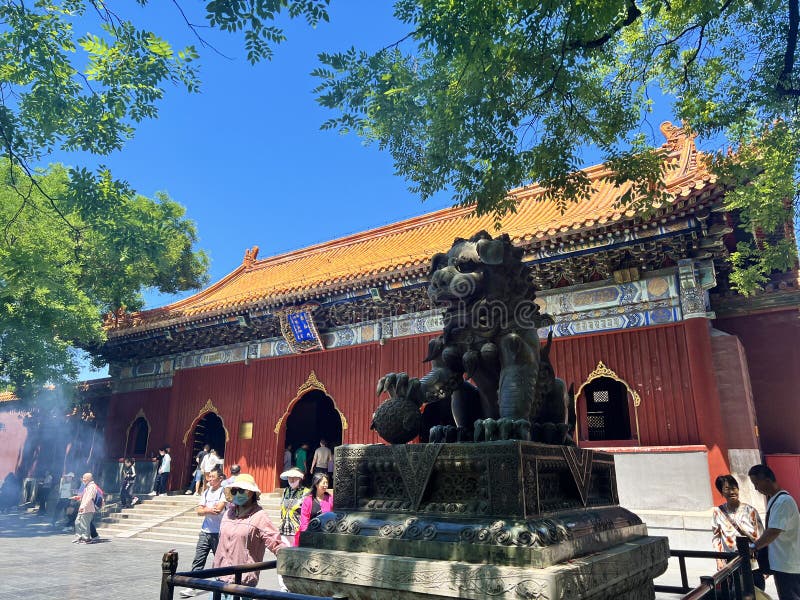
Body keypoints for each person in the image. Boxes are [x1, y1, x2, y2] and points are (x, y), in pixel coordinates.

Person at [208, 474, 285, 595]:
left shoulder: (260, 516)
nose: (237, 493)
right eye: (234, 490)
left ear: (250, 493)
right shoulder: (228, 513)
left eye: (241, 490)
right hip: (219, 576)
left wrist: (288, 556)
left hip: (242, 581)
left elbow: (274, 542)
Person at [749, 464, 800, 599]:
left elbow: (773, 531)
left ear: (767, 480)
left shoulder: (783, 501)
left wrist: (754, 546)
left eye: (756, 483)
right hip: (783, 563)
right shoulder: (775, 499)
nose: (756, 488)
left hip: (788, 565)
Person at [711, 474, 765, 589]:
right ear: (721, 492)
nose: (731, 492)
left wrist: (765, 562)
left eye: (734, 488)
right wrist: (719, 560)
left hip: (753, 562)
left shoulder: (750, 511)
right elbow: (716, 538)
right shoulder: (718, 512)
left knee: (758, 592)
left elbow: (762, 534)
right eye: (727, 489)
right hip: (731, 563)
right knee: (736, 593)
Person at [180, 470, 227, 598]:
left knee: (221, 561)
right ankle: (192, 586)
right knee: (198, 559)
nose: (209, 479)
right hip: (205, 531)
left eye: (213, 477)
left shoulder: (224, 492)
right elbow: (198, 511)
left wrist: (205, 510)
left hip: (219, 532)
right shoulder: (206, 492)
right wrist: (207, 510)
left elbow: (218, 509)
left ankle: (221, 585)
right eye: (209, 477)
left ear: (220, 479)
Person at [277, 467, 308, 591]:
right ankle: (283, 586)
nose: (291, 480)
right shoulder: (286, 491)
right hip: (284, 529)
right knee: (283, 557)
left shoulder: (306, 492)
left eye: (294, 478)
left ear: (300, 478)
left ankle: (296, 585)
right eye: (290, 478)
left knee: (296, 558)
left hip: (297, 530)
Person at [296, 472, 333, 545]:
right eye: (324, 483)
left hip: (326, 535)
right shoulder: (308, 500)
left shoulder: (330, 499)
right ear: (316, 484)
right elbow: (304, 520)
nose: (326, 485)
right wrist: (306, 535)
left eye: (327, 483)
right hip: (310, 535)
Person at [74, 473, 97, 544]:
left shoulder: (92, 486)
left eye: (84, 478)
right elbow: (85, 497)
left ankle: (86, 539)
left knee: (85, 524)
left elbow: (89, 498)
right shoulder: (87, 486)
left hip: (87, 508)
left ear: (89, 478)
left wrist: (83, 506)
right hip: (83, 508)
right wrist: (78, 498)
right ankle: (79, 537)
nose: (83, 479)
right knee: (77, 522)